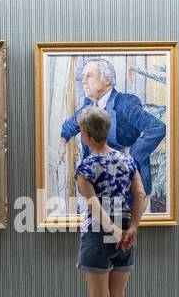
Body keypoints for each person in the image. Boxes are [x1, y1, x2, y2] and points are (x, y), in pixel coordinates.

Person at [73, 105, 147, 297]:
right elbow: (139, 193)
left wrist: (114, 231)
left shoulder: (86, 166)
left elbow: (93, 203)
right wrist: (132, 228)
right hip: (126, 229)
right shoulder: (127, 161)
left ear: (85, 135)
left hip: (99, 234)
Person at [58, 57, 166, 196]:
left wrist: (132, 152)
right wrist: (62, 141)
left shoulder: (125, 103)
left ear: (107, 79)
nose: (83, 81)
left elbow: (157, 128)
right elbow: (70, 125)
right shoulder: (88, 106)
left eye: (89, 76)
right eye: (83, 76)